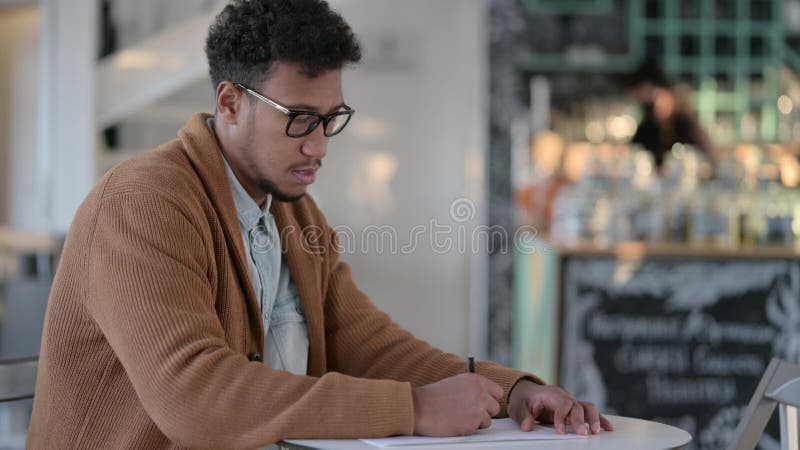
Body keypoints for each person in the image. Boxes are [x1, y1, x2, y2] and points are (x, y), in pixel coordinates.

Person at [27, 1, 613, 448]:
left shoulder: (291, 213)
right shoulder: (143, 203)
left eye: (330, 120)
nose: (319, 146)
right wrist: (412, 409)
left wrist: (514, 391)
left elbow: (369, 346)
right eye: (300, 119)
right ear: (229, 103)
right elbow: (193, 396)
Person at [627, 59, 715, 168]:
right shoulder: (646, 129)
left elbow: (710, 158)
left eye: (655, 95)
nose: (654, 104)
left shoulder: (685, 124)